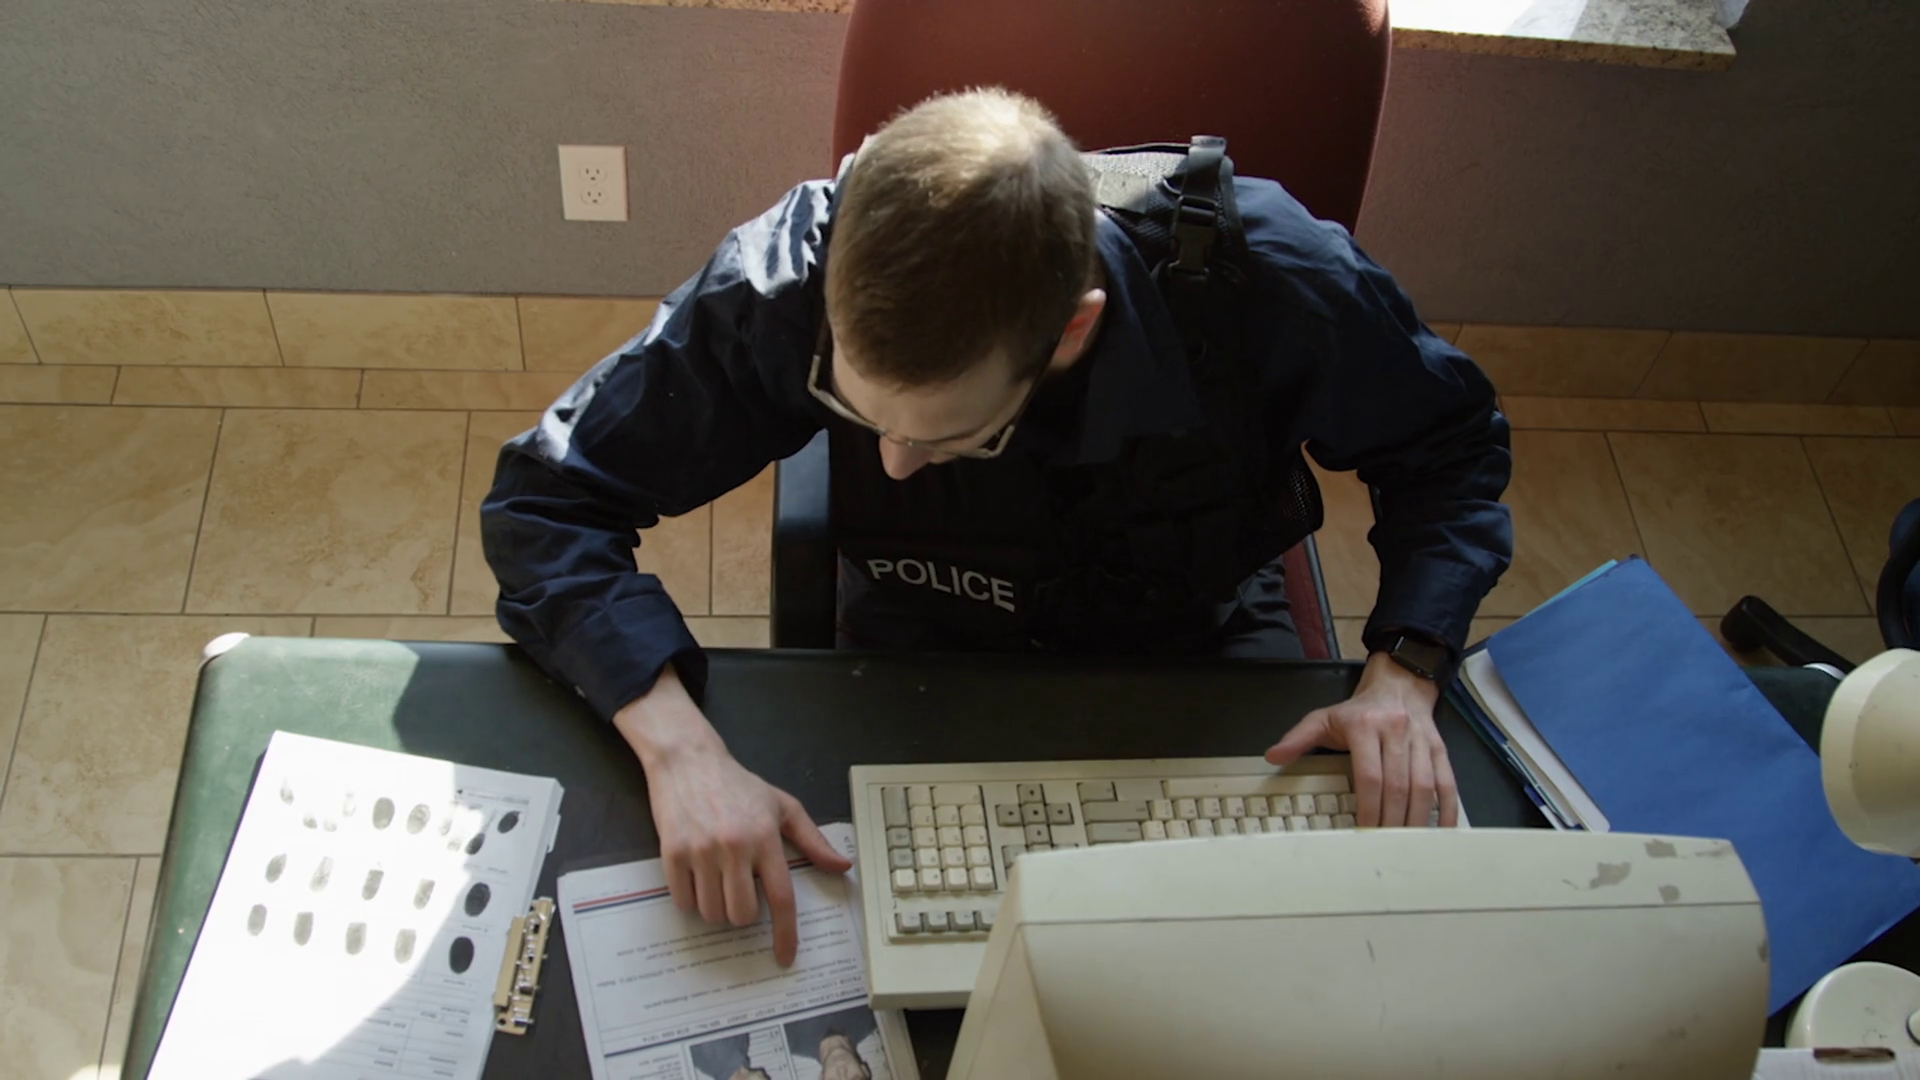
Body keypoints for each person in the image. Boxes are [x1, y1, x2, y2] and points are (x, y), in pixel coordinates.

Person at [482, 89, 1513, 965]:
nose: (888, 463)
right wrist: (679, 752)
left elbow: (1451, 449)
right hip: (924, 636)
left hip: (1187, 641)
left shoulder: (1276, 280)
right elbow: (546, 499)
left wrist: (1404, 669)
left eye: (945, 437)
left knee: (1288, 966)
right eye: (859, 414)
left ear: (1074, 328)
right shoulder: (787, 279)